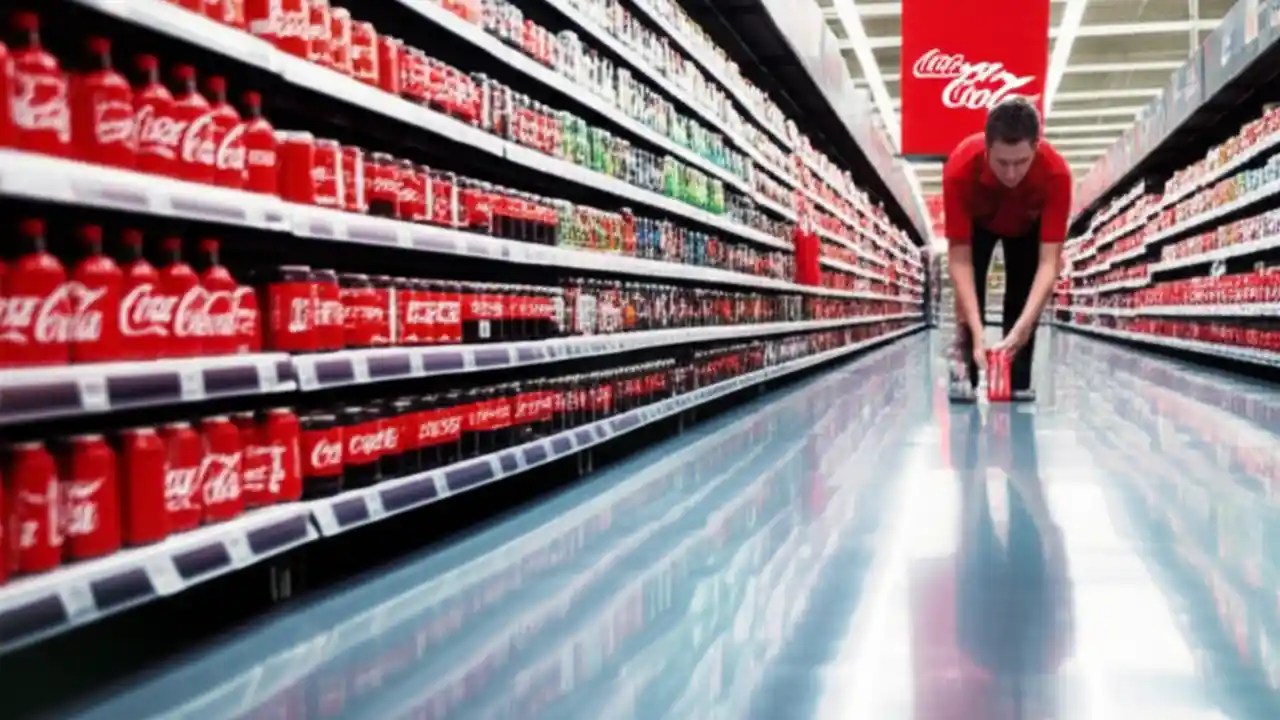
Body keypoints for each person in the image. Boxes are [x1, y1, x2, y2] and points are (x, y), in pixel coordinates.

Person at [943, 96, 1072, 402]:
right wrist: (977, 331)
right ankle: (964, 371)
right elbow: (960, 262)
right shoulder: (959, 170)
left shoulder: (1057, 175)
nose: (1012, 174)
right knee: (966, 298)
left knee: (1024, 295)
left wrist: (1022, 328)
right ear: (986, 149)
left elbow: (1049, 263)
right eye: (1002, 162)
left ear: (1037, 146)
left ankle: (1018, 379)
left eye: (1021, 162)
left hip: (1028, 230)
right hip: (979, 225)